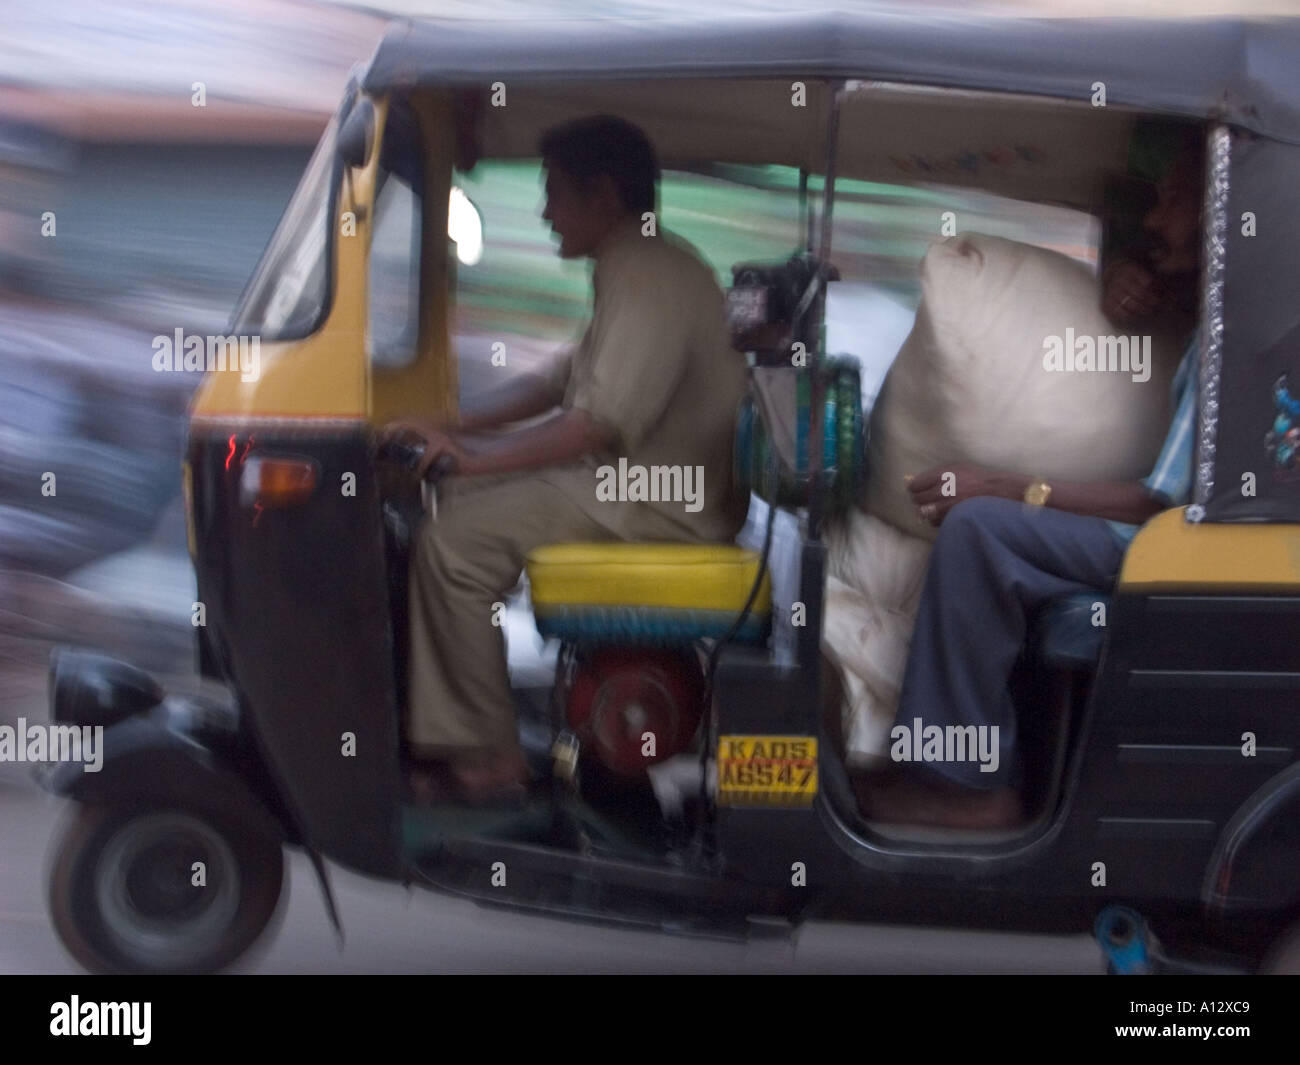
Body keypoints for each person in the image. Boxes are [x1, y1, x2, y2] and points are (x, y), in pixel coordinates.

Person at [380, 115, 748, 804]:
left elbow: (595, 425)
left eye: (554, 192)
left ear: (603, 194)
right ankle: (458, 723)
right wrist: (451, 427)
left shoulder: (645, 273)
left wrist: (469, 461)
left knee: (453, 546)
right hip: (640, 487)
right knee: (459, 503)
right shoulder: (640, 262)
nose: (545, 211)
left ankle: (487, 757)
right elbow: (557, 381)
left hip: (660, 502)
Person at [858, 138, 1204, 829]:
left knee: (981, 530)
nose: (1156, 217)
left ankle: (965, 786)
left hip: (1184, 546)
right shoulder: (1209, 307)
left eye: (1173, 197)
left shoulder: (1239, 326)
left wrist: (1007, 486)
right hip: (1174, 537)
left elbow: (1155, 502)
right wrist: (1138, 279)